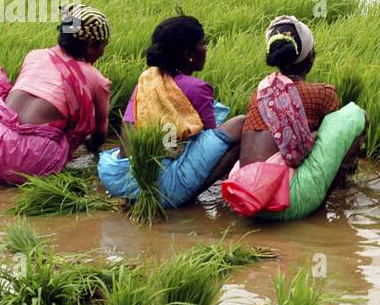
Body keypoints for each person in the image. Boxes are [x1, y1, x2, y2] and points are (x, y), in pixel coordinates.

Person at [98, 15, 246, 207]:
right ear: (188, 54)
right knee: (241, 124)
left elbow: (129, 129)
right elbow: (210, 140)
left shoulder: (147, 79)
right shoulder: (197, 88)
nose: (206, 48)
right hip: (163, 189)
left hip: (117, 176)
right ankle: (190, 196)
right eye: (203, 43)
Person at [0, 4, 111, 185]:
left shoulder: (35, 55)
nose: (103, 51)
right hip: (32, 163)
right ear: (91, 46)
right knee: (63, 128)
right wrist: (91, 152)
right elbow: (99, 132)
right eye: (103, 46)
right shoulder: (96, 79)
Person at [238, 15, 359, 181]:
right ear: (310, 58)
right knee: (355, 118)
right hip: (282, 187)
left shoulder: (260, 92)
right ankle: (340, 190)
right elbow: (336, 144)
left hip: (245, 183)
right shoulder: (323, 94)